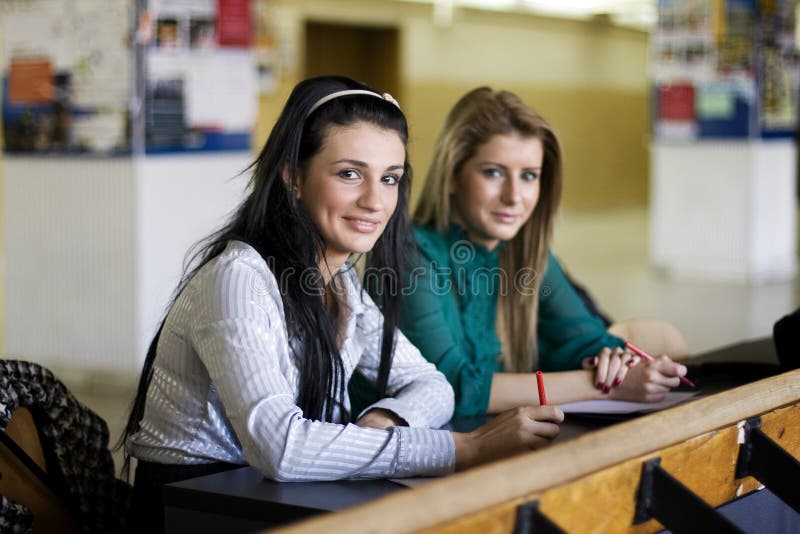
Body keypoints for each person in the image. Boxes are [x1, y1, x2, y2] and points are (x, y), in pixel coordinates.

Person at [118, 77, 564, 532]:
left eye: (389, 178)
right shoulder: (237, 280)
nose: (375, 201)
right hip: (196, 507)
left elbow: (434, 386)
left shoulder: (342, 283)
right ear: (293, 176)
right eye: (350, 174)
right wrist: (462, 449)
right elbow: (282, 447)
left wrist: (382, 421)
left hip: (279, 496)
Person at [353, 87, 688, 418]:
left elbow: (587, 339)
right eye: (494, 173)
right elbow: (449, 386)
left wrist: (616, 362)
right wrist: (606, 384)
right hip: (393, 449)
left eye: (529, 176)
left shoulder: (524, 251)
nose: (514, 196)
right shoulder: (411, 252)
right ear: (452, 175)